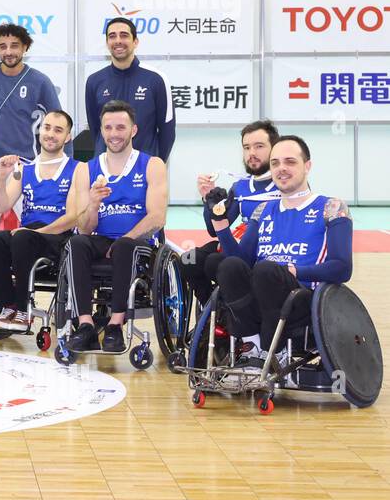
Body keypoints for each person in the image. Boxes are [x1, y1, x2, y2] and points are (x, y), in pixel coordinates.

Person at [210, 135, 353, 356]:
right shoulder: (264, 209)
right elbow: (239, 260)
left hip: (301, 299)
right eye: (275, 163)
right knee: (228, 266)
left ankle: (274, 351)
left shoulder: (332, 207)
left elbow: (342, 268)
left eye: (290, 162)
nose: (281, 168)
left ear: (307, 166)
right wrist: (219, 222)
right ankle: (251, 347)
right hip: (259, 295)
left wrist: (296, 270)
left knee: (266, 269)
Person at [65, 100, 169, 354]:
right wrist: (92, 204)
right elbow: (85, 228)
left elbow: (157, 217)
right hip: (101, 238)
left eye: (120, 127)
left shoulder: (152, 164)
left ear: (133, 130)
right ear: (101, 131)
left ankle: (115, 325)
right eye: (108, 128)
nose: (114, 134)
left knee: (123, 246)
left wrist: (127, 237)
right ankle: (86, 325)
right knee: (76, 242)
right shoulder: (85, 170)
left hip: (138, 244)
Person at [0, 109, 82, 333]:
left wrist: (38, 233)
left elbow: (73, 216)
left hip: (58, 237)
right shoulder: (25, 169)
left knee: (23, 237)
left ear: (68, 137)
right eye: (47, 128)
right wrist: (1, 177)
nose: (50, 134)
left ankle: (23, 310)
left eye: (58, 130)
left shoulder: (77, 169)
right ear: (39, 131)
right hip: (28, 237)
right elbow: (0, 206)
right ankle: (5, 307)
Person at [0, 23, 65, 230]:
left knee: (32, 224)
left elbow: (59, 123)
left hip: (26, 163)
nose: (8, 52)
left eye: (14, 46)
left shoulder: (40, 81)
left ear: (25, 47)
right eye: (3, 47)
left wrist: (63, 163)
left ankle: (32, 260)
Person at [186, 119, 281, 304]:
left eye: (259, 146)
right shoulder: (240, 186)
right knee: (188, 260)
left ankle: (231, 310)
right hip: (236, 246)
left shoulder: (285, 183)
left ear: (274, 149)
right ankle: (211, 311)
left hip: (268, 250)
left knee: (215, 261)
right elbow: (215, 230)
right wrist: (208, 199)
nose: (251, 153)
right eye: (246, 147)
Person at [84, 17, 175, 164]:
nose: (118, 40)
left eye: (124, 35)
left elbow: (167, 132)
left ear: (135, 41)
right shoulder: (94, 81)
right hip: (106, 172)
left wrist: (154, 166)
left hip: (144, 170)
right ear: (107, 43)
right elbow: (96, 129)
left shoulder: (156, 79)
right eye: (112, 36)